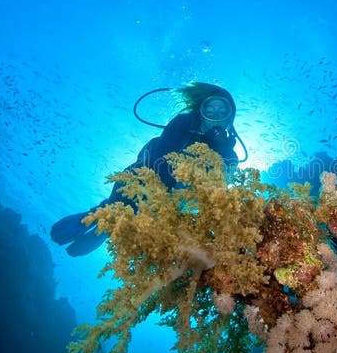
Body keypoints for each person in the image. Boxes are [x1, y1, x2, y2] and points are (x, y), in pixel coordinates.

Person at [51, 82, 244, 256]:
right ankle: (98, 216)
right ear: (201, 110)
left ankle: (105, 225)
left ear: (230, 118)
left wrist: (222, 150)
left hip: (170, 205)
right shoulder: (184, 122)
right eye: (210, 109)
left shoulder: (231, 156)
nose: (216, 115)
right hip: (139, 179)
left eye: (222, 111)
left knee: (120, 220)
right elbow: (161, 150)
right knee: (115, 209)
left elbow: (216, 192)